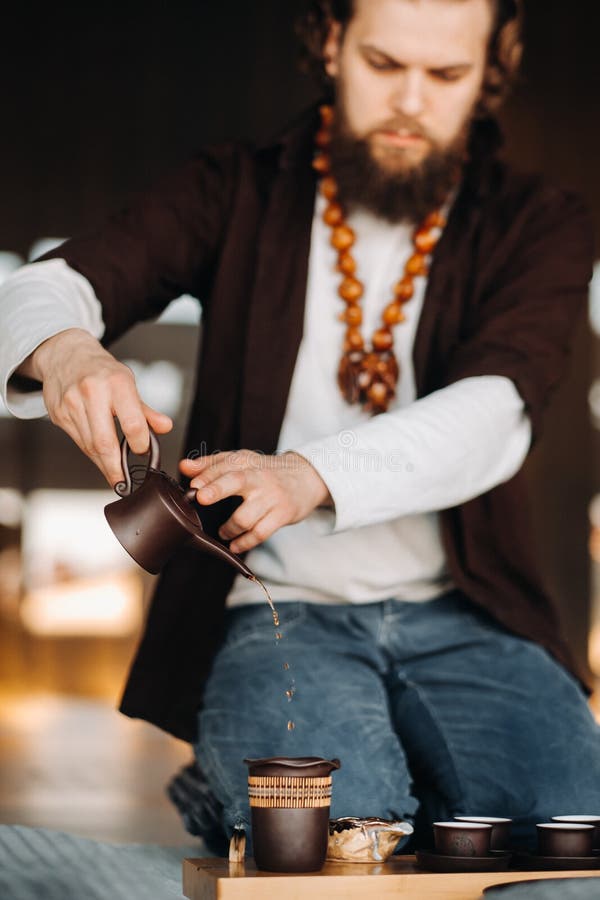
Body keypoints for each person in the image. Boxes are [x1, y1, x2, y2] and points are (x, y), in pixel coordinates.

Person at [0, 0, 598, 853]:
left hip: (465, 612)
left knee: (569, 839)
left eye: (446, 75)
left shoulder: (538, 221)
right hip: (278, 607)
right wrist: (67, 355)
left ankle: (226, 784)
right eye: (384, 65)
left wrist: (305, 474)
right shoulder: (237, 187)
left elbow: (495, 409)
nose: (411, 101)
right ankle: (239, 774)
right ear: (329, 43)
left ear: (493, 69)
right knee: (334, 843)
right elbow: (40, 288)